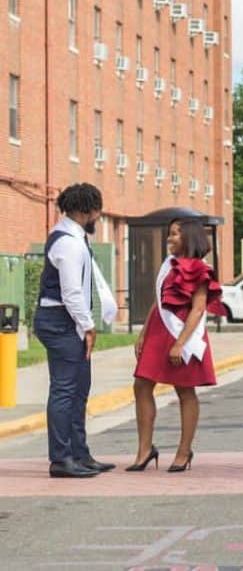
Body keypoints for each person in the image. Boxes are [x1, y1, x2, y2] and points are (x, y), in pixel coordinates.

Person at [34, 183, 118, 478]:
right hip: (61, 321)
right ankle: (61, 459)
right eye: (97, 211)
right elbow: (71, 292)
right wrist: (88, 326)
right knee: (65, 390)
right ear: (86, 211)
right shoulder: (68, 243)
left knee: (79, 390)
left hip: (66, 320)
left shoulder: (73, 237)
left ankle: (79, 453)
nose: (98, 216)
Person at [128, 219, 226, 473]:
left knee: (184, 391)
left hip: (184, 334)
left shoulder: (201, 269)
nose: (169, 238)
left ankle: (184, 451)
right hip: (159, 332)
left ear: (190, 237)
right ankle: (145, 449)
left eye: (175, 234)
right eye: (169, 234)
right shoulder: (167, 265)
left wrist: (180, 343)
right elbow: (158, 301)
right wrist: (143, 333)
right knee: (141, 385)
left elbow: (198, 308)